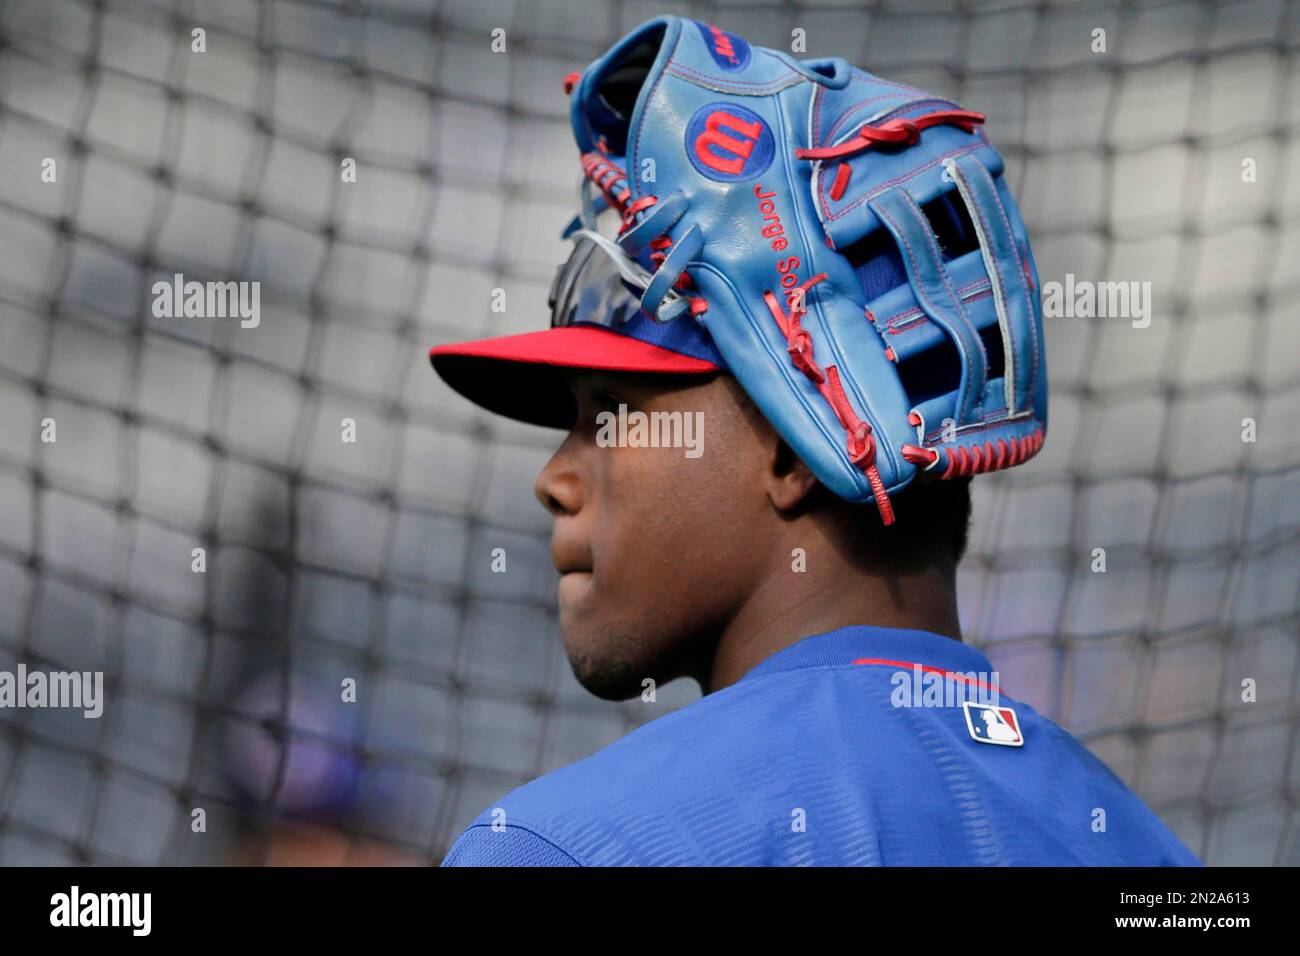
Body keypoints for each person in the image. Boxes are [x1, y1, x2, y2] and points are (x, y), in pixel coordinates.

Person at [429, 16, 1200, 866]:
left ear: (794, 447)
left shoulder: (559, 848)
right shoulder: (1151, 860)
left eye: (608, 413)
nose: (555, 479)